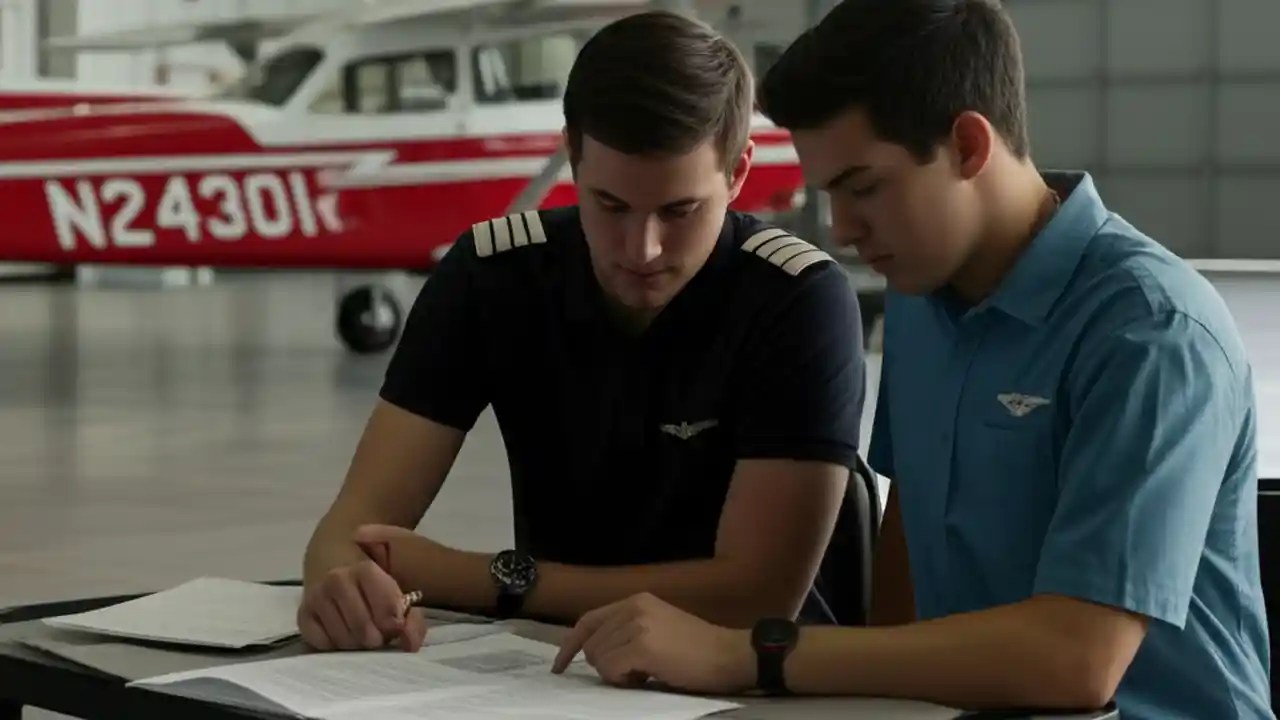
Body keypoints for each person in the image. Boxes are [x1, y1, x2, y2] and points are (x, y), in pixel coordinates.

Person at [550, 1, 1274, 718]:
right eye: (829, 194)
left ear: (968, 146)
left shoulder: (1151, 333)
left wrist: (750, 654)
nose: (842, 228)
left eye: (864, 188)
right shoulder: (921, 294)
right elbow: (908, 534)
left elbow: (1077, 660)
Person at [296, 10, 869, 655]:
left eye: (679, 211)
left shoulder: (795, 299)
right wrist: (343, 587)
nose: (642, 249)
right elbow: (352, 530)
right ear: (572, 157)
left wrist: (484, 579)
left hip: (754, 682)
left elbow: (754, 597)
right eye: (610, 205)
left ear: (737, 173)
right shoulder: (495, 274)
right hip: (556, 668)